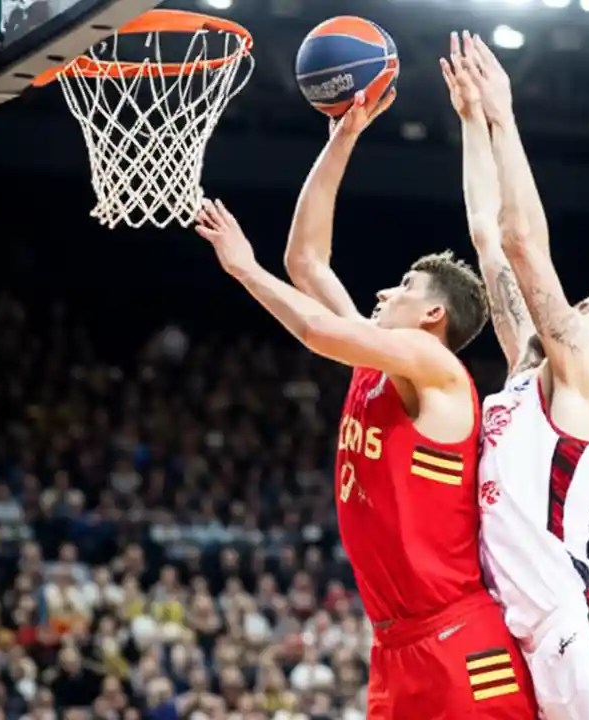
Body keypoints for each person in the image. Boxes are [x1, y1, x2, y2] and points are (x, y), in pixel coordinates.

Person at [193, 98, 539, 719]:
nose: (383, 291)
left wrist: (245, 271)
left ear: (433, 314)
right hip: (396, 646)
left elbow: (317, 330)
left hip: (462, 645)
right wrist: (343, 137)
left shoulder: (434, 366)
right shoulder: (380, 365)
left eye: (404, 286)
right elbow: (305, 262)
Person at [443, 32, 589, 720]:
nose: (563, 311)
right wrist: (472, 122)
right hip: (531, 645)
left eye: (581, 311)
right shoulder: (527, 369)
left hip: (582, 629)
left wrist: (506, 117)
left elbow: (523, 241)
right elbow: (487, 234)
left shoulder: (584, 388)